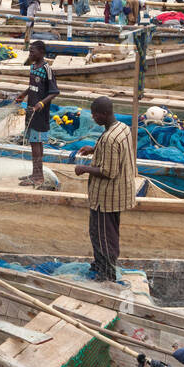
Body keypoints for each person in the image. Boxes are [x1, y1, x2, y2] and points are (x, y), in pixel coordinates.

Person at [72, 96, 136, 284]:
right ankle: (101, 264)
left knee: (102, 235)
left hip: (106, 198)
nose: (93, 118)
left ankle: (106, 274)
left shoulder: (109, 139)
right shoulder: (122, 128)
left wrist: (83, 169)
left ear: (104, 114)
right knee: (108, 232)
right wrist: (94, 150)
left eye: (95, 115)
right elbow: (115, 154)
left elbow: (108, 171)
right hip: (119, 194)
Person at [16, 40, 59, 188]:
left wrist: (41, 103)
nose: (30, 54)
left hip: (40, 113)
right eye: (29, 52)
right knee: (33, 142)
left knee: (36, 143)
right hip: (30, 110)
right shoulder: (33, 67)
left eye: (32, 52)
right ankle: (35, 173)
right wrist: (23, 94)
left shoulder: (47, 69)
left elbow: (54, 92)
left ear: (41, 52)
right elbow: (32, 86)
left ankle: (38, 177)